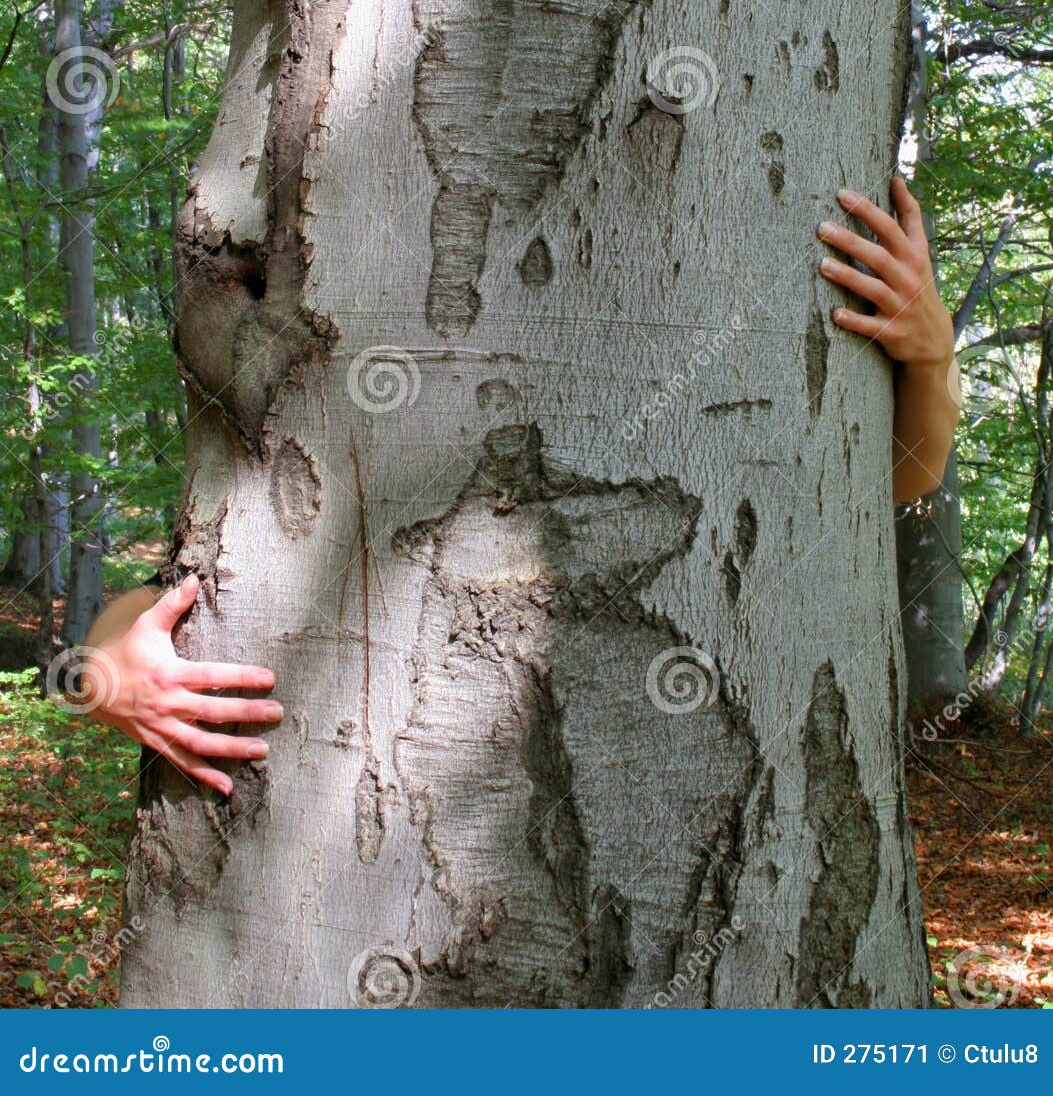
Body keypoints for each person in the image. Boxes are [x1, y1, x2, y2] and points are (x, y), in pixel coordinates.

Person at [81, 173, 960, 794]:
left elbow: (882, 487)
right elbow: (179, 589)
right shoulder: (307, 416)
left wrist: (929, 359)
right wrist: (111, 663)